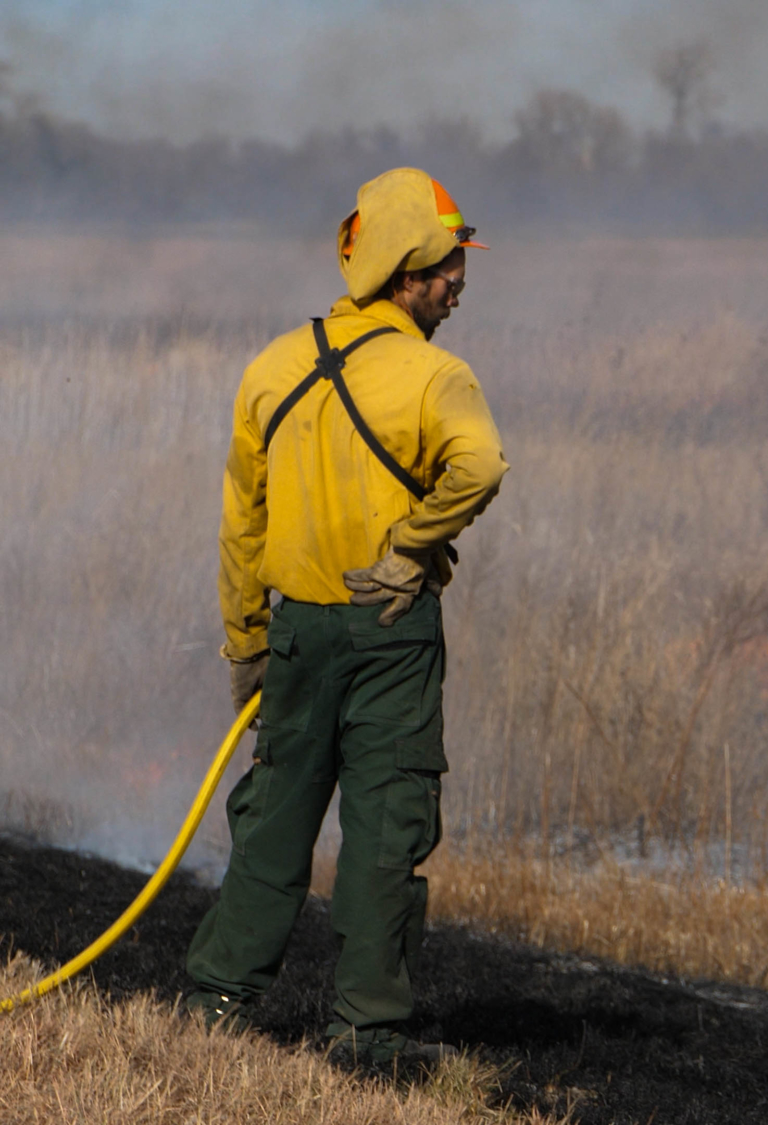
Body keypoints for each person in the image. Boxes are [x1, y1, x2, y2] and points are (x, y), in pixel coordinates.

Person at [182, 167, 507, 1064]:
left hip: (293, 631)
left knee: (274, 819)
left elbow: (241, 516)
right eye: (448, 266)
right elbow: (481, 468)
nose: (460, 282)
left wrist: (246, 638)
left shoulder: (273, 365)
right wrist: (411, 550)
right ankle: (366, 1030)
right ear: (407, 270)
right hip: (390, 635)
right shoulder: (437, 374)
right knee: (385, 827)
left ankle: (214, 1000)